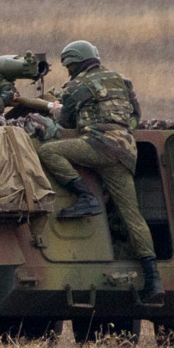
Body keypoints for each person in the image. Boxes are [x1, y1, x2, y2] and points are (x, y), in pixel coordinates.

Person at [36, 41, 164, 303]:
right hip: (126, 151)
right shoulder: (122, 80)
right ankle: (153, 279)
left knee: (49, 152)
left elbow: (66, 122)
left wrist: (53, 109)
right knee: (132, 216)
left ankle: (85, 197)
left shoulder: (75, 87)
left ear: (73, 63)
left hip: (96, 145)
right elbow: (134, 116)